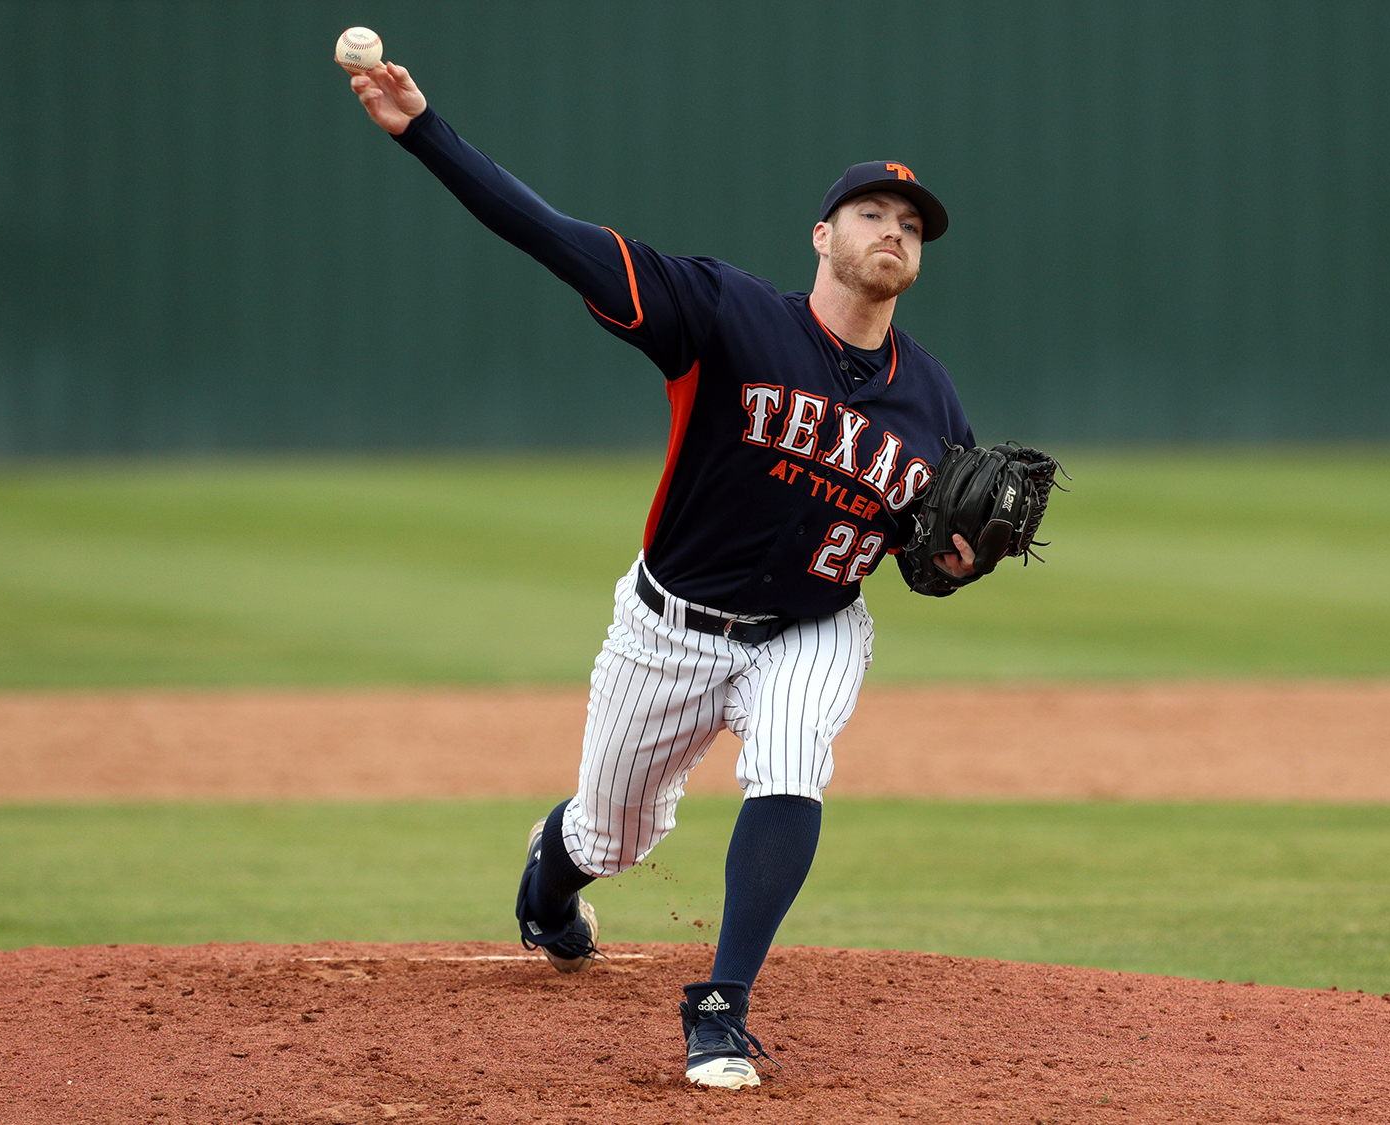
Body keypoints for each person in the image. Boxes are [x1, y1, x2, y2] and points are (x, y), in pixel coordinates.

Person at [348, 59, 979, 1090]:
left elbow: (927, 548)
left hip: (814, 624)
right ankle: (549, 889)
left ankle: (720, 1007)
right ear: (821, 237)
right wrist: (424, 132)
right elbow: (551, 235)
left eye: (911, 225)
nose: (894, 232)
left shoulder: (933, 399)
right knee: (613, 830)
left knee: (791, 759)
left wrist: (954, 563)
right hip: (670, 626)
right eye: (871, 213)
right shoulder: (726, 314)